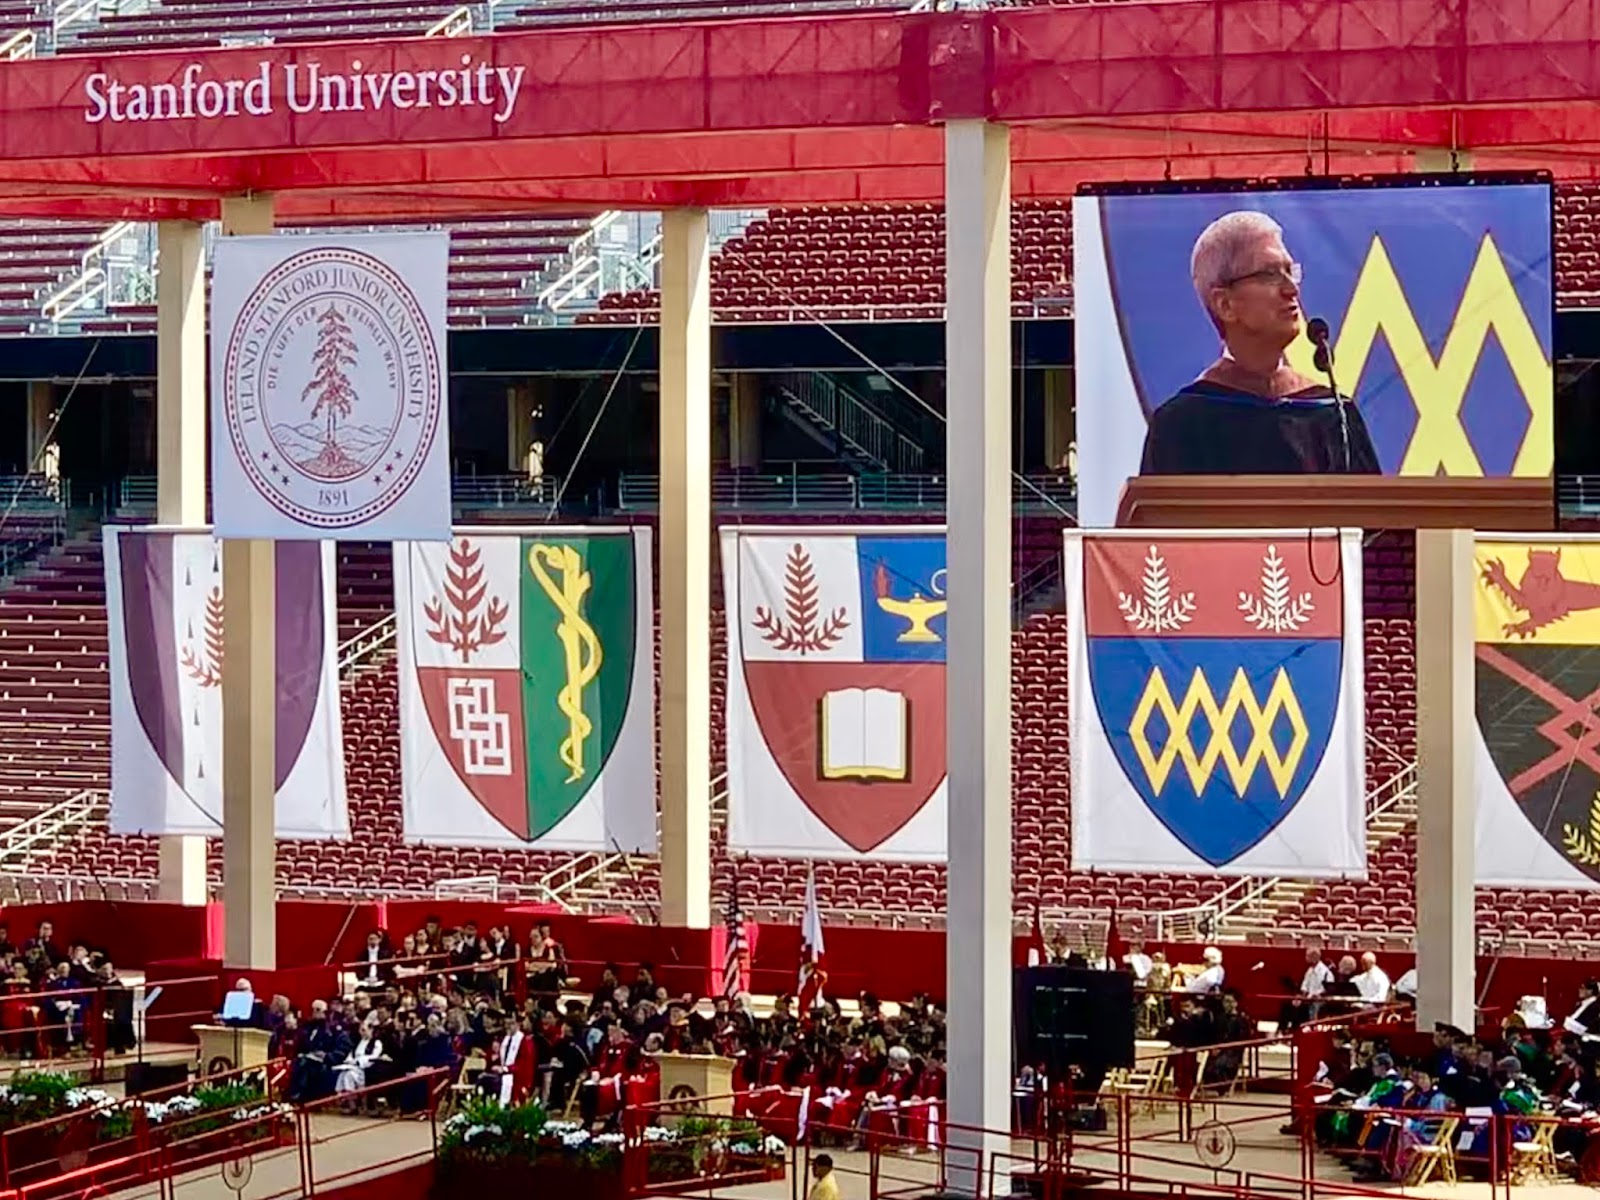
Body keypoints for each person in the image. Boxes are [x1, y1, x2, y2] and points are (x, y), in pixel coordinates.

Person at [1139, 210, 1381, 477]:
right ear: (1225, 304)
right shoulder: (1182, 424)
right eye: (1269, 274)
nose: (1291, 290)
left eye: (1290, 271)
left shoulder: (1333, 414)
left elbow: (1374, 515)